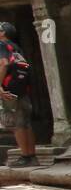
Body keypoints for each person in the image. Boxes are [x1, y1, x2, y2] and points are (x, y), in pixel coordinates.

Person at [0, 22, 38, 166]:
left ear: (3, 33)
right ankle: (32, 156)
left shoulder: (1, 45)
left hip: (8, 88)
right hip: (21, 88)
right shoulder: (16, 48)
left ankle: (25, 156)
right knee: (26, 123)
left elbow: (3, 63)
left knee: (16, 123)